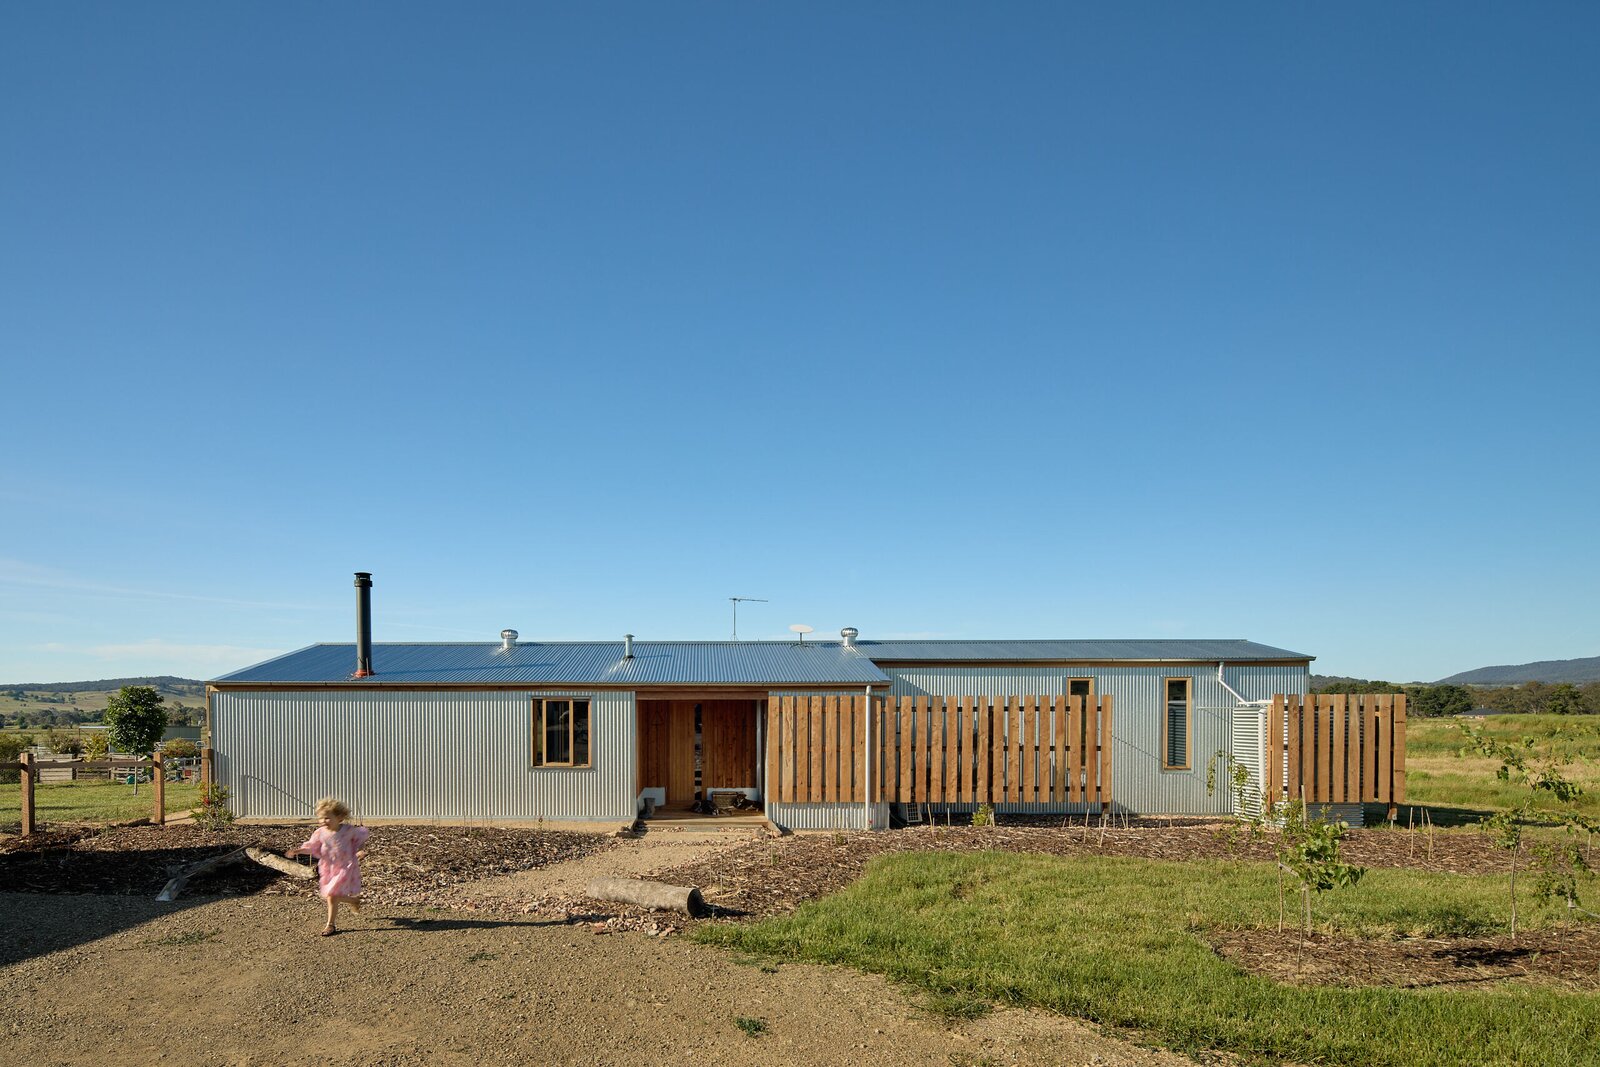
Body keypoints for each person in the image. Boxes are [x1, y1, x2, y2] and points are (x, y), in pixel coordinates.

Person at [285, 796, 369, 936]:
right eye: (321, 818)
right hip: (328, 867)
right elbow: (312, 846)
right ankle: (353, 900)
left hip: (345, 866)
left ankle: (330, 925)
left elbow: (359, 840)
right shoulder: (320, 832)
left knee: (331, 895)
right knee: (329, 894)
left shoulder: (348, 830)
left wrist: (360, 850)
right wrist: (299, 850)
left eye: (327, 818)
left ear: (339, 817)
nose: (323, 821)